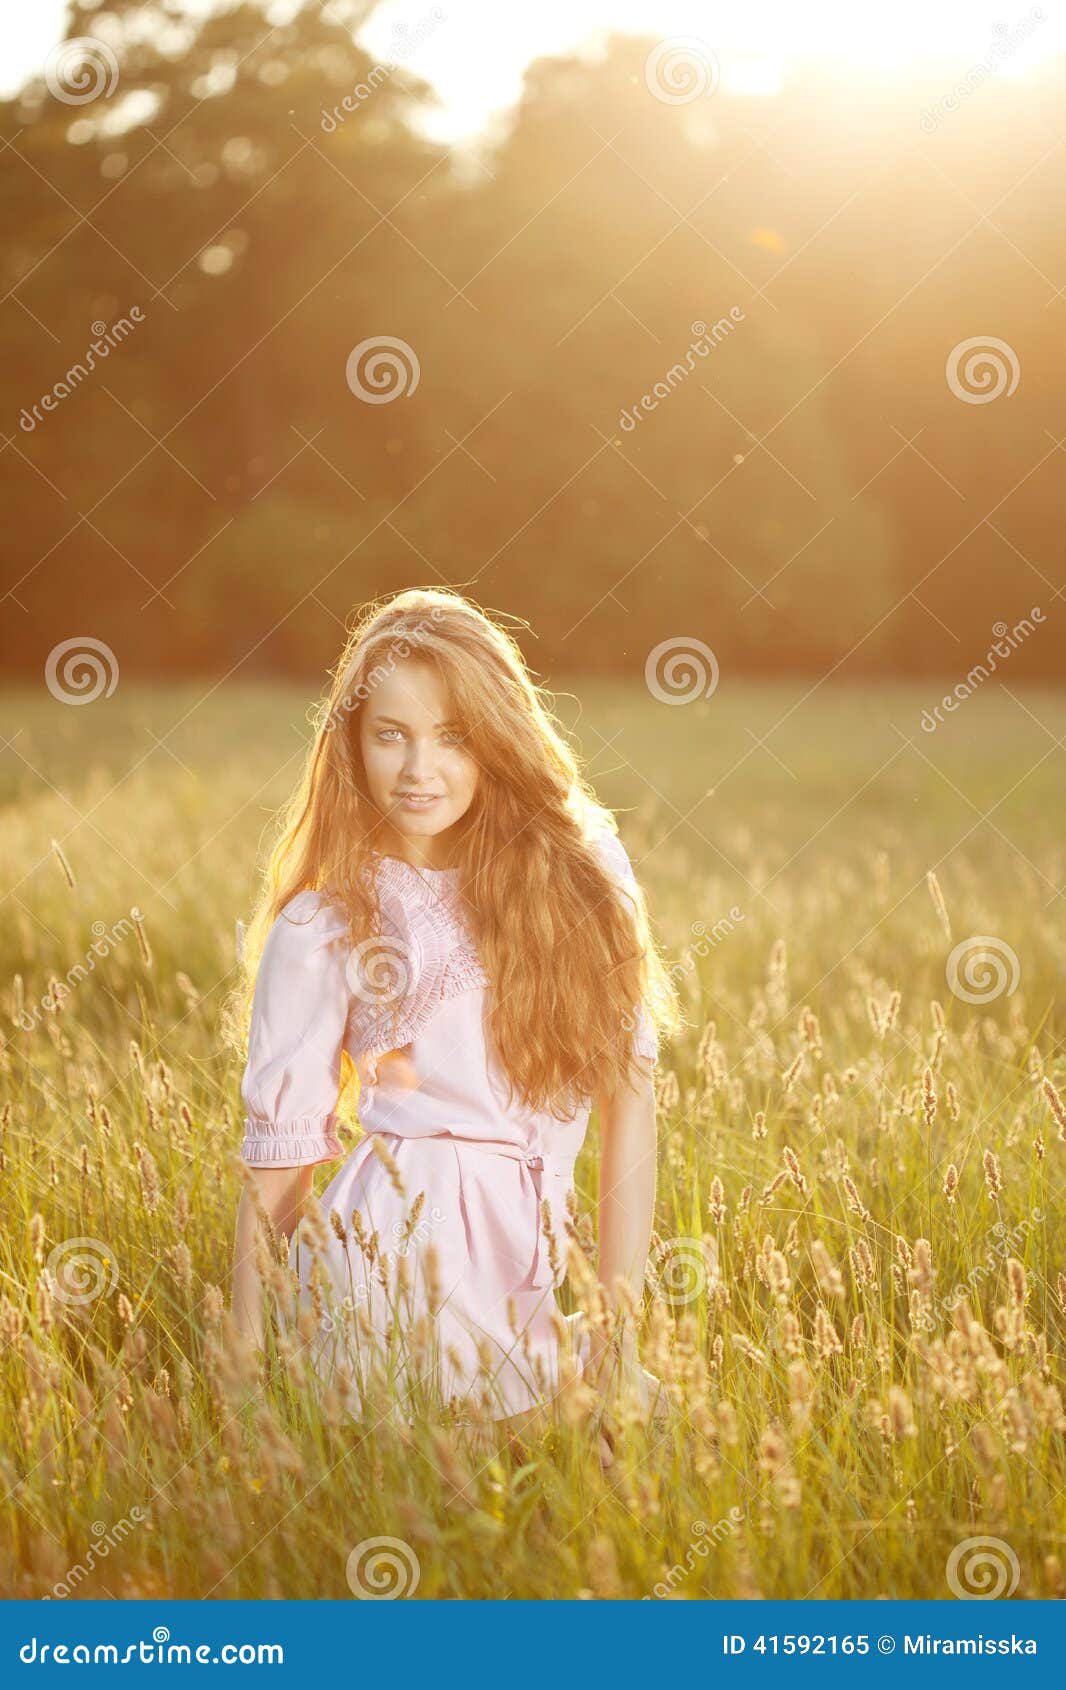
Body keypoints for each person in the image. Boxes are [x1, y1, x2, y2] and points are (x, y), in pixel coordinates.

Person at [225, 587, 681, 1461]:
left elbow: (630, 1100)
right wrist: (244, 1370)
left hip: (531, 1249)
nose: (417, 769)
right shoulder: (324, 922)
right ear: (352, 742)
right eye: (389, 734)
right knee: (489, 1478)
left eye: (452, 736)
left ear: (495, 739)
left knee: (645, 1439)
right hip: (389, 1257)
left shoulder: (584, 876)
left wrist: (619, 1334)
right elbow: (276, 1169)